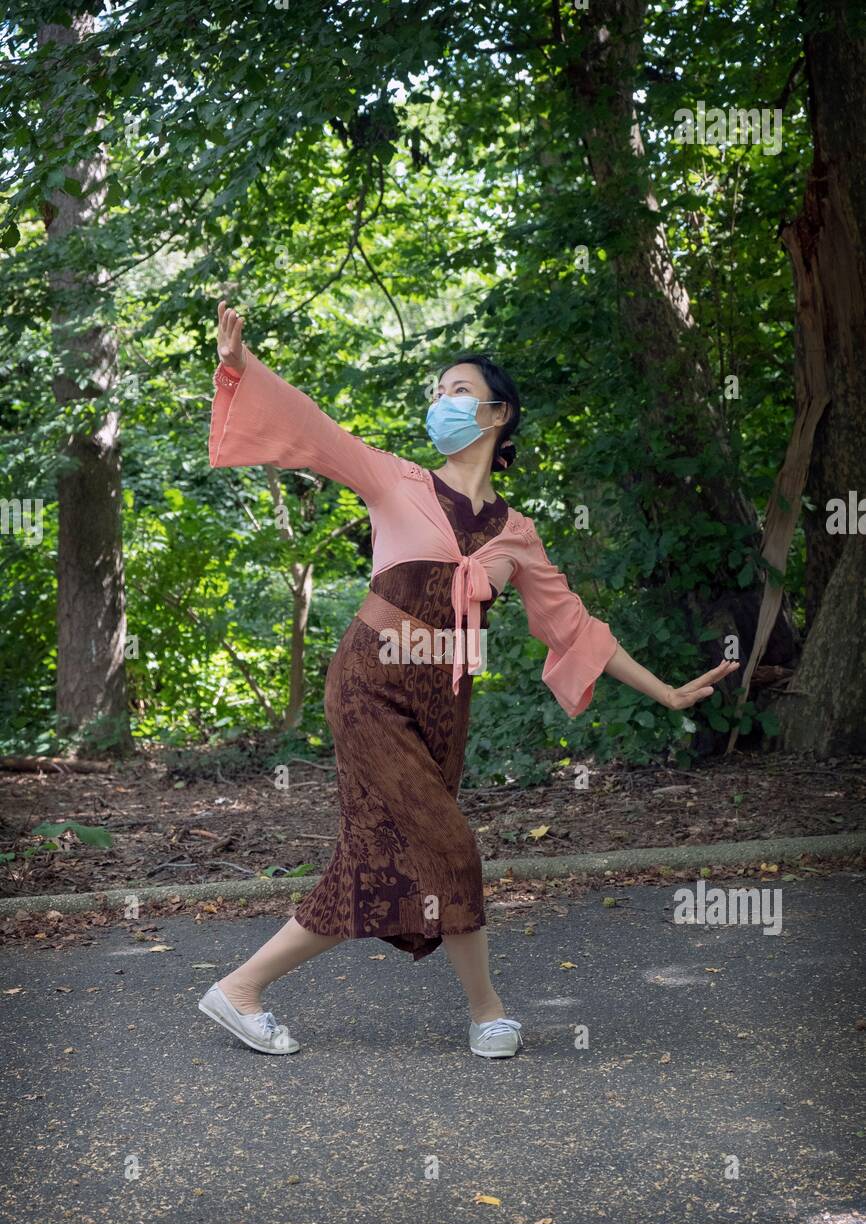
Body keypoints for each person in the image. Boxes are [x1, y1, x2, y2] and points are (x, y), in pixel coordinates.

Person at [198, 301, 739, 1059]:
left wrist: (671, 693)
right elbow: (316, 433)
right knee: (450, 844)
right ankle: (487, 1011)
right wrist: (239, 366)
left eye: (457, 391)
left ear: (497, 413)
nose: (441, 404)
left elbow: (574, 627)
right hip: (371, 686)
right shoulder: (396, 479)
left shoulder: (516, 532)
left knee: (381, 858)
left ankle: (240, 989)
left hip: (444, 703)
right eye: (437, 392)